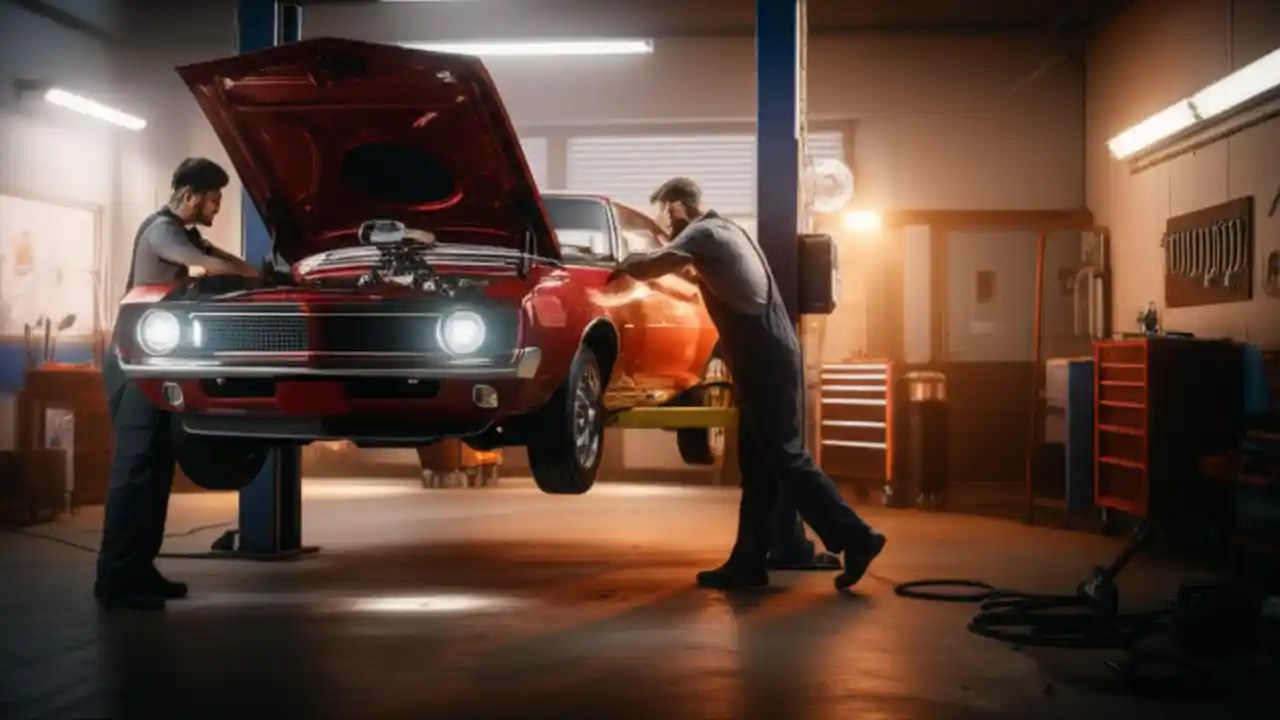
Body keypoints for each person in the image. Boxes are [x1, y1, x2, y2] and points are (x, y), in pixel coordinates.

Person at [614, 177, 886, 591]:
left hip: (764, 358)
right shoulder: (726, 231)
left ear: (675, 208)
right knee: (759, 466)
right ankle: (748, 562)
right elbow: (696, 275)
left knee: (785, 457)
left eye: (664, 216)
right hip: (771, 354)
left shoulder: (702, 233)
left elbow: (653, 265)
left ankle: (857, 538)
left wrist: (616, 262)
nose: (666, 225)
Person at [94, 158, 257, 610]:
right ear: (190, 196)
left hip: (159, 363)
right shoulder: (161, 230)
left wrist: (250, 271)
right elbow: (200, 263)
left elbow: (220, 258)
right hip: (132, 366)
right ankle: (116, 580)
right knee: (135, 471)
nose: (217, 206)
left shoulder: (186, 232)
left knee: (157, 470)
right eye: (214, 198)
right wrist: (232, 270)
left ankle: (140, 571)